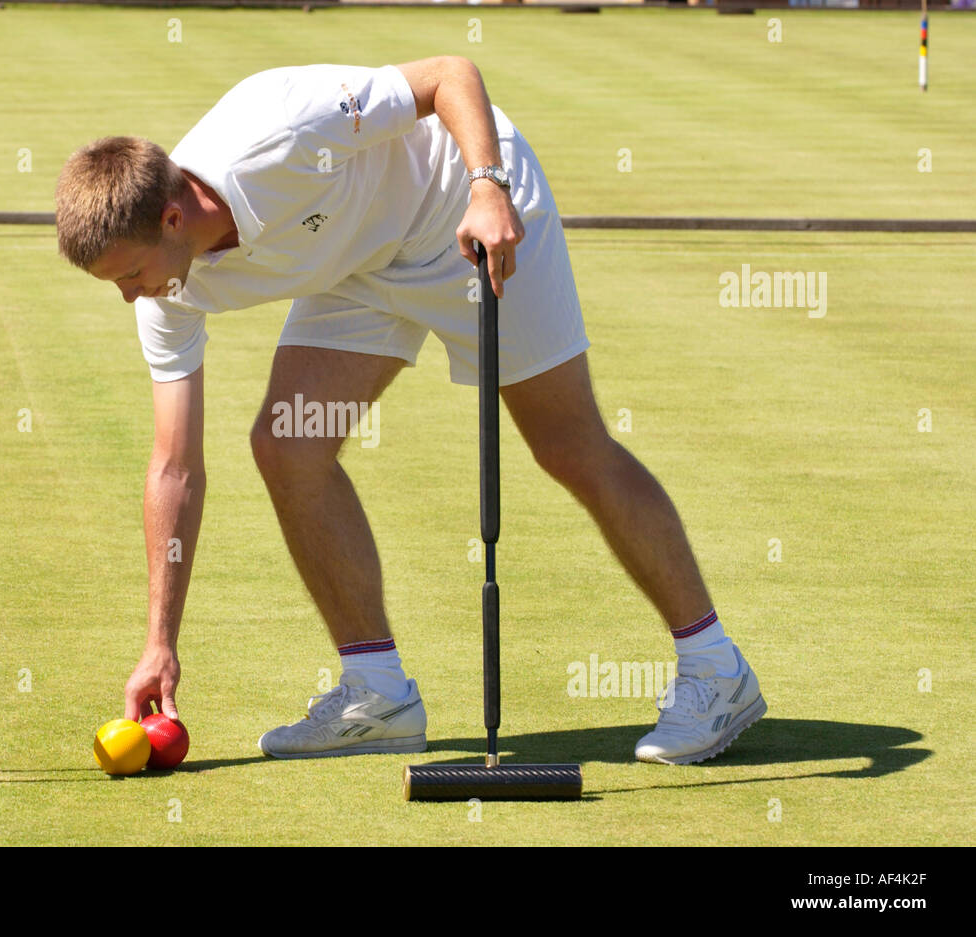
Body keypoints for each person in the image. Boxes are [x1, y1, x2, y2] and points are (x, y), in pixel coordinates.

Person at [55, 56, 765, 764]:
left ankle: (716, 670)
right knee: (287, 444)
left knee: (568, 445)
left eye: (129, 276)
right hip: (357, 262)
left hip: (461, 201)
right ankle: (377, 694)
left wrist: (487, 187)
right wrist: (159, 642)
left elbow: (450, 75)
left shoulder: (279, 129)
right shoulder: (167, 288)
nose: (130, 297)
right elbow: (174, 465)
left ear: (173, 217)